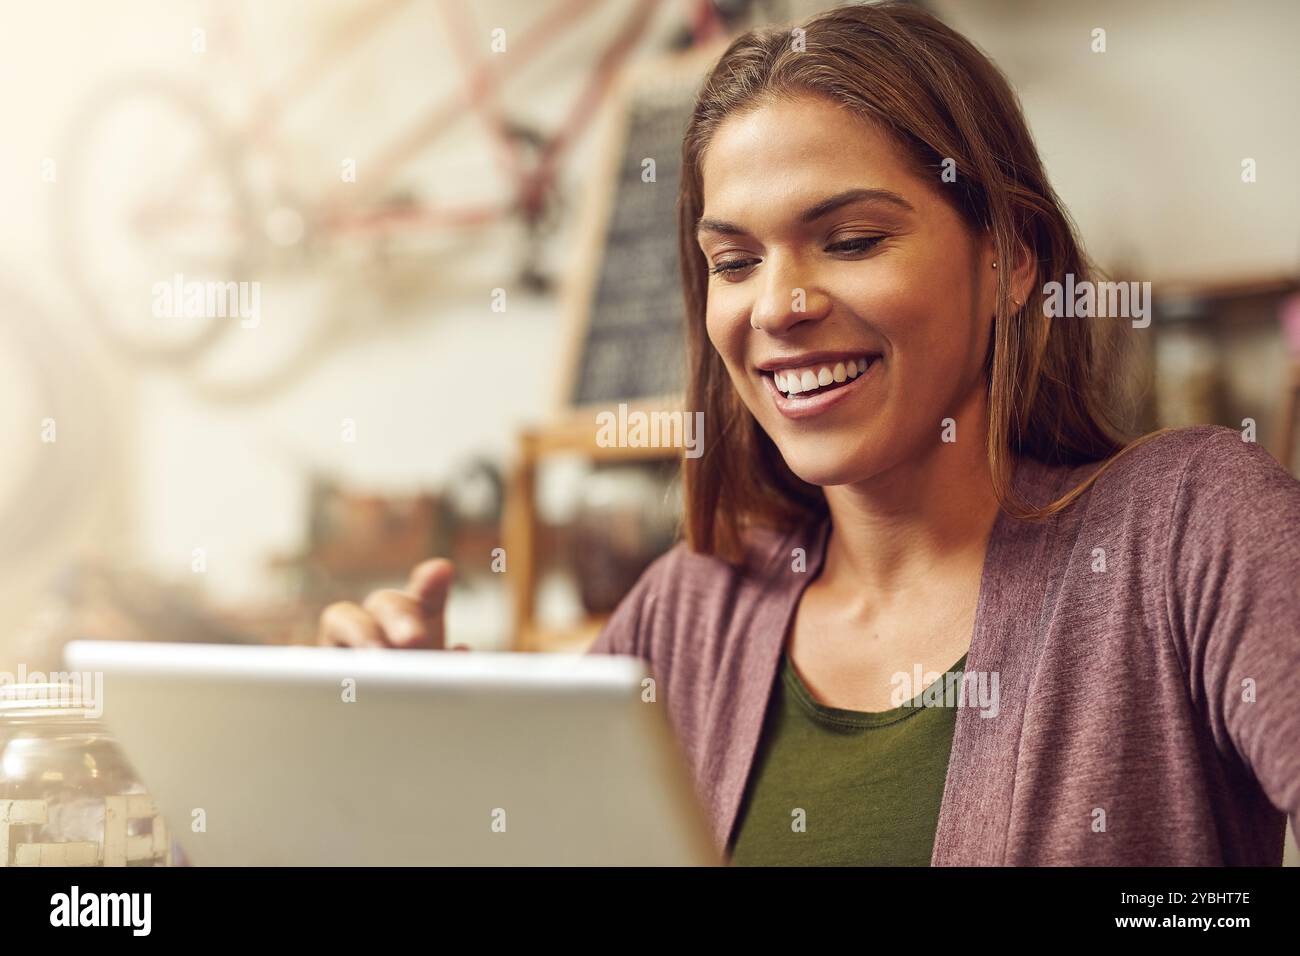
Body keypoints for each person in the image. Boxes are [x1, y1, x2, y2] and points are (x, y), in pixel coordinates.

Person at [318, 2, 1300, 866]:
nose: (778, 306)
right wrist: (428, 759)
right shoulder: (688, 613)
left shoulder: (1186, 528)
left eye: (852, 241)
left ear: (1007, 261)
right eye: (734, 260)